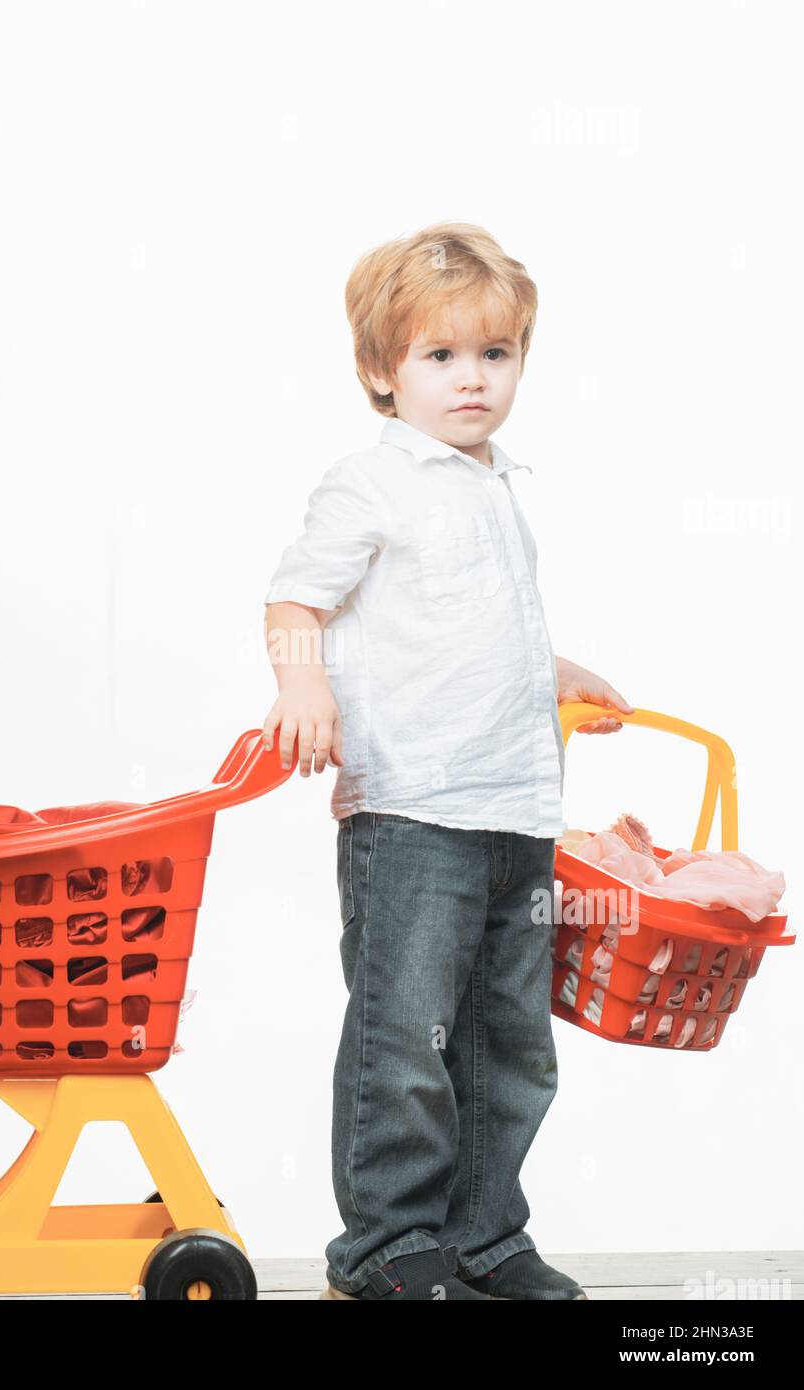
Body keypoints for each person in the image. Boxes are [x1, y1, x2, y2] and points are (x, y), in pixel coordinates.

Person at [261, 222, 633, 1302]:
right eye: (440, 355)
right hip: (413, 813)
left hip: (515, 813)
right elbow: (295, 601)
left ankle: (482, 1237)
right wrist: (303, 687)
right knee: (406, 1037)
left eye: (494, 353)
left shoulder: (497, 486)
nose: (472, 377)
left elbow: (471, 627)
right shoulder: (372, 482)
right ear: (382, 370)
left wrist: (553, 669)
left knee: (507, 1040)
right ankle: (385, 1245)